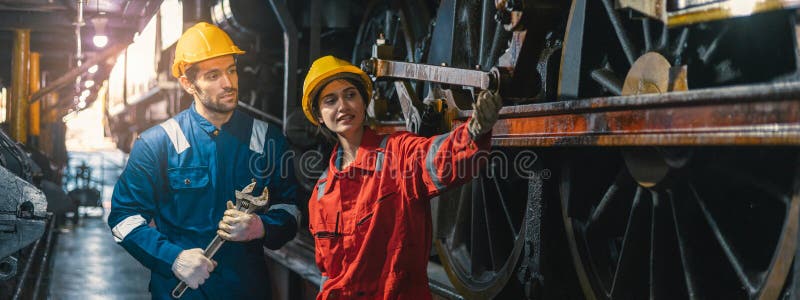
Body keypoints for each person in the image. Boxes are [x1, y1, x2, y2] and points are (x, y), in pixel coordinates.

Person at [108, 22, 299, 299]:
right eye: (213, 75)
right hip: (183, 291)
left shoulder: (267, 139)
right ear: (187, 83)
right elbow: (124, 218)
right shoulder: (157, 143)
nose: (228, 83)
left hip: (246, 291)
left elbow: (290, 208)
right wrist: (173, 258)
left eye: (231, 70)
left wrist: (262, 227)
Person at [302, 55, 502, 299]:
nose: (343, 106)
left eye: (350, 94)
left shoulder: (398, 153)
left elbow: (438, 158)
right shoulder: (322, 193)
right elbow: (328, 274)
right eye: (330, 100)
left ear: (364, 102)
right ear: (320, 116)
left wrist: (473, 132)